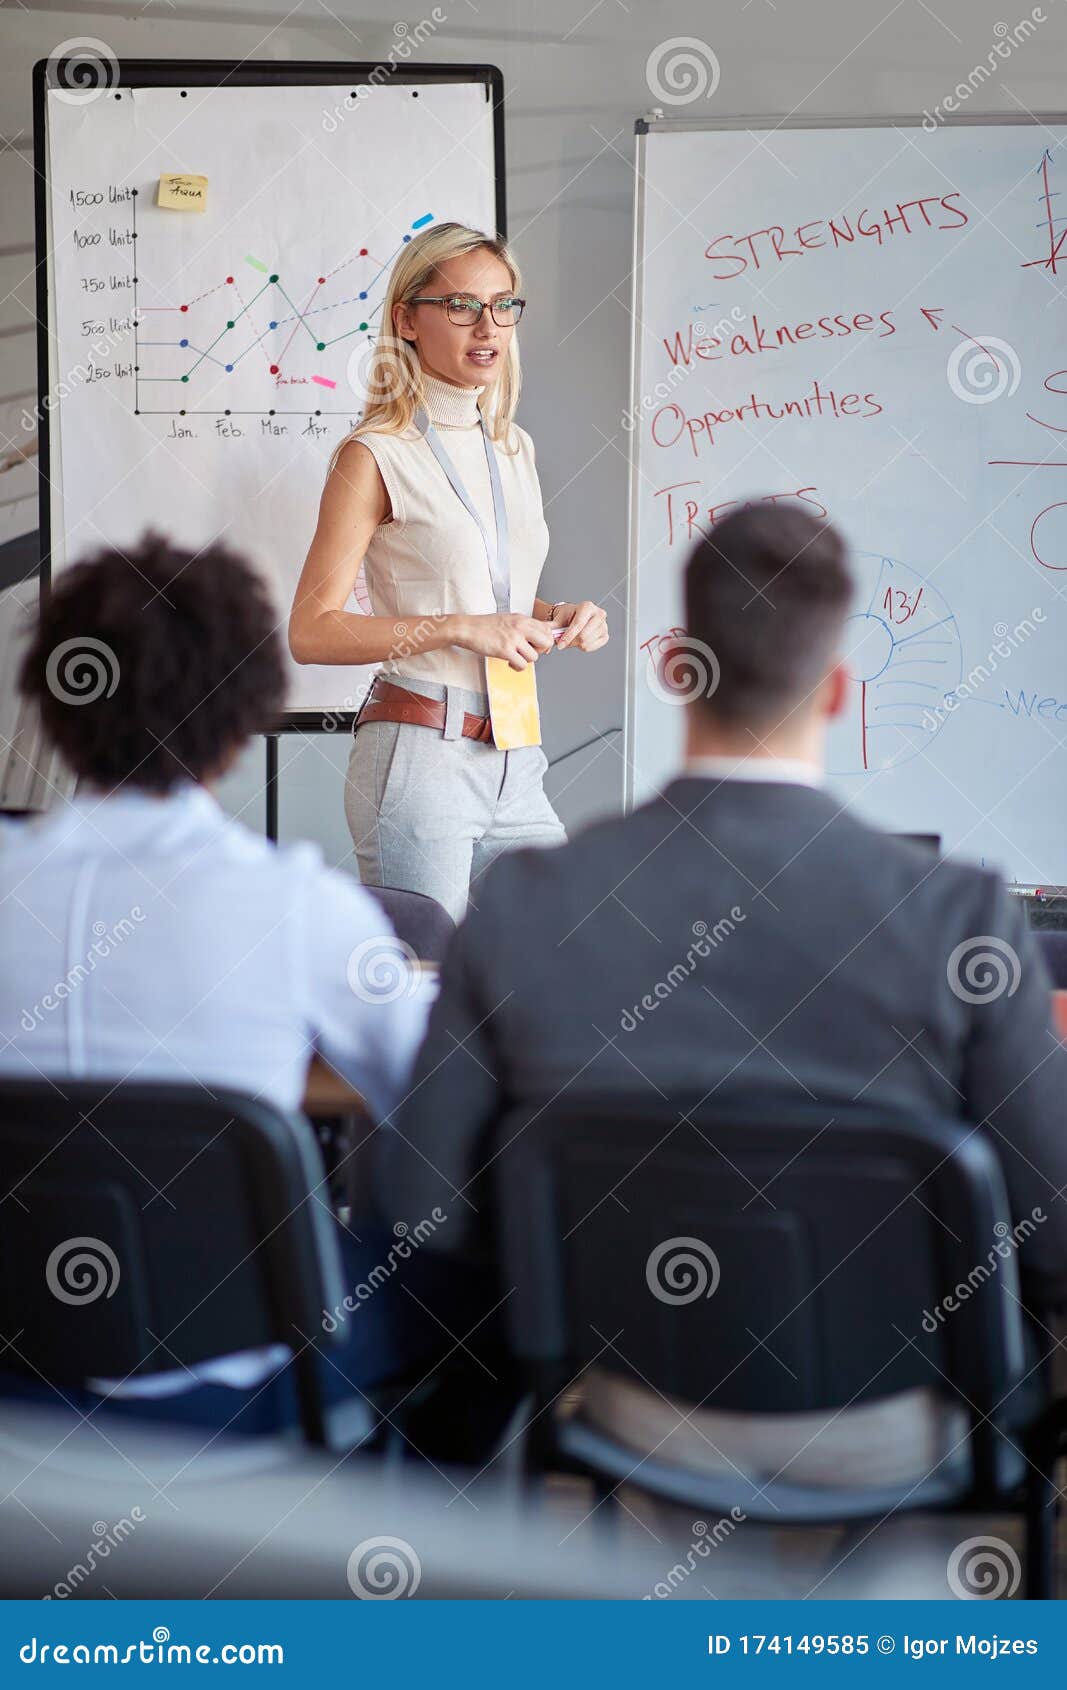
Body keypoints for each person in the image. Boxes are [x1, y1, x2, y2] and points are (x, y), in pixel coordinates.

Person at [374, 501, 1067, 1482]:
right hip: (904, 1415)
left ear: (675, 670)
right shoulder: (956, 917)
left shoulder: (527, 904)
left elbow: (416, 1201)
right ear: (832, 690)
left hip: (617, 1402)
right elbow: (1054, 1224)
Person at [0, 531, 456, 1435]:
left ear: (54, 704)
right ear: (243, 719)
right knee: (462, 1275)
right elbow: (438, 1109)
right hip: (236, 1379)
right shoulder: (300, 908)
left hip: (20, 1375)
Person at [289, 221, 608, 925]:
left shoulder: (511, 446)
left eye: (503, 304)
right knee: (426, 991)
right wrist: (463, 629)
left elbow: (492, 593)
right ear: (406, 319)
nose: (487, 325)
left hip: (515, 753)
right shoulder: (374, 454)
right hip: (418, 753)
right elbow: (311, 631)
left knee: (562, 955)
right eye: (460, 305)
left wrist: (556, 615)